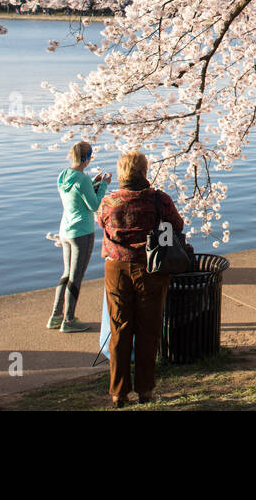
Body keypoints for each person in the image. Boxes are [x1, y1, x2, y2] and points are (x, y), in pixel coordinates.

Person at [97, 150, 184, 407]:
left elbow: (103, 224)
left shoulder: (108, 202)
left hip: (116, 268)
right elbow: (177, 225)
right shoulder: (159, 200)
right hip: (151, 269)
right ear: (144, 171)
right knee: (149, 329)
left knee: (119, 329)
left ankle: (118, 391)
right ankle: (145, 389)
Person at [48, 141, 110, 333]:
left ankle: (55, 316)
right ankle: (69, 320)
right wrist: (104, 185)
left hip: (65, 230)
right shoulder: (82, 179)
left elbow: (77, 193)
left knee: (66, 274)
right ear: (87, 157)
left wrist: (94, 183)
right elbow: (93, 205)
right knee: (76, 277)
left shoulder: (64, 175)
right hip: (81, 231)